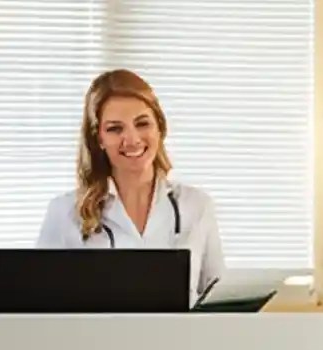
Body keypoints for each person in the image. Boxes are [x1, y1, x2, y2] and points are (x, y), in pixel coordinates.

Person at [37, 69, 224, 303]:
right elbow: (40, 307)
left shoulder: (197, 206)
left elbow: (221, 303)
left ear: (159, 128)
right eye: (115, 129)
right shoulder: (64, 213)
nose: (132, 139)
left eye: (142, 123)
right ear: (98, 138)